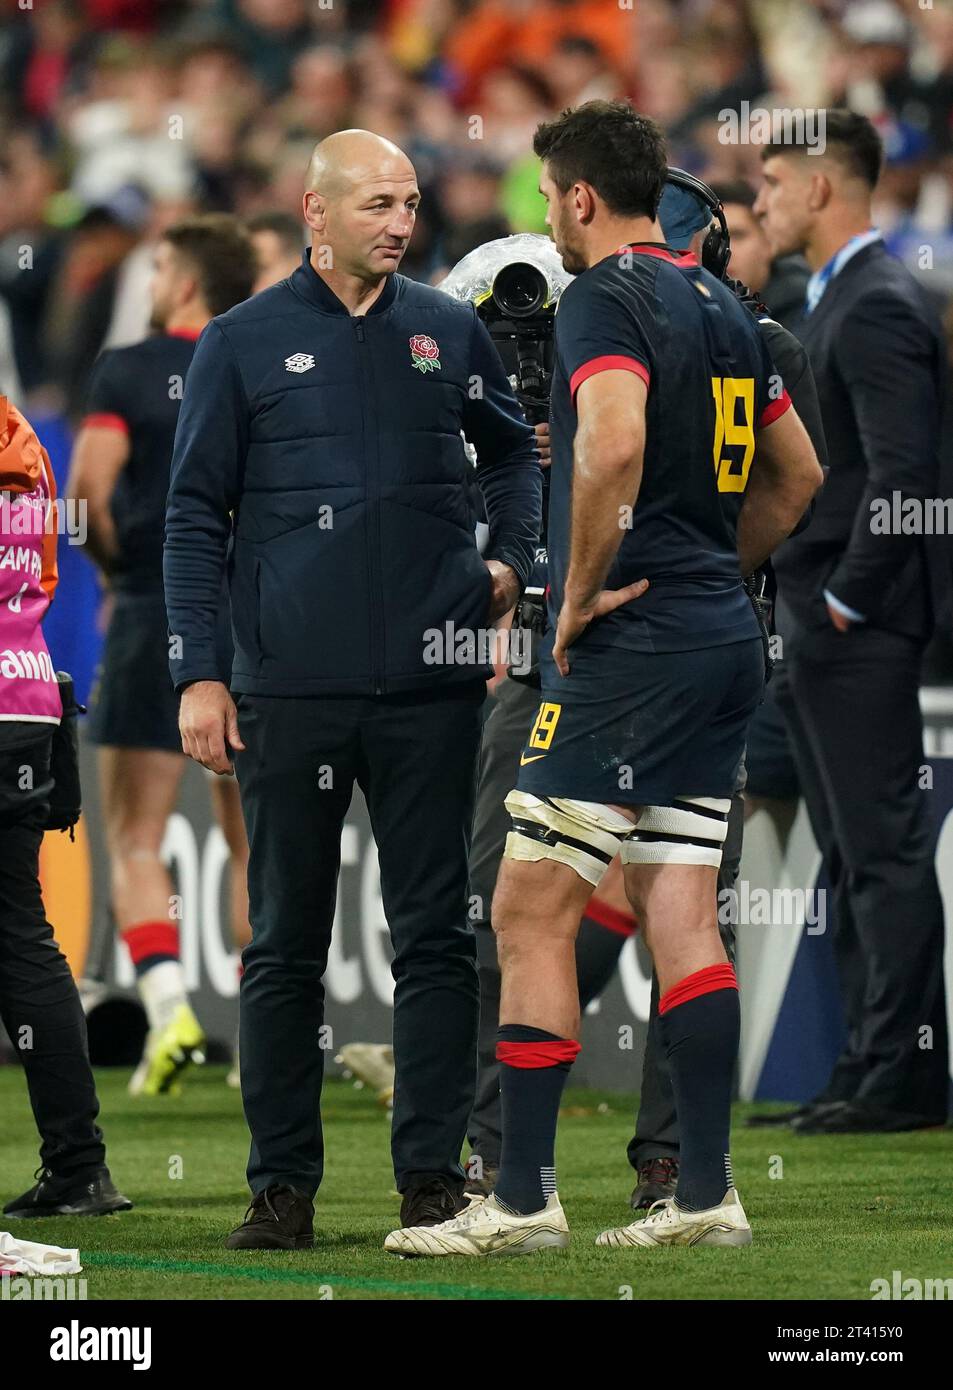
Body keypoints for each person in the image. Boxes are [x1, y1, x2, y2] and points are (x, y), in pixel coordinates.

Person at [385, 99, 822, 1259]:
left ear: (579, 198)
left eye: (545, 198)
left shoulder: (601, 299)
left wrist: (579, 588)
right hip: (721, 634)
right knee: (681, 902)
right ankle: (704, 1191)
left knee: (528, 903)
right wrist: (710, 572)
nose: (546, 219)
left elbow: (611, 444)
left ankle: (520, 1200)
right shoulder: (727, 305)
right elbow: (799, 476)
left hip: (629, 642)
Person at [164, 129, 542, 1251]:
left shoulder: (446, 327)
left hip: (430, 687)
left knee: (434, 933)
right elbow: (191, 515)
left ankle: (430, 1179)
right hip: (288, 689)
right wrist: (198, 671)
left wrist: (513, 562)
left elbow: (515, 453)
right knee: (285, 940)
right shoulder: (238, 343)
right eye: (377, 201)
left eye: (411, 202)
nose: (400, 221)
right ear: (314, 212)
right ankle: (281, 1185)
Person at [752, 109, 951, 1134]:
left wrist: (842, 597)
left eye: (772, 185)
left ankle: (902, 1077)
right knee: (844, 850)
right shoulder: (843, 297)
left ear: (820, 188)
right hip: (818, 615)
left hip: (851, 622)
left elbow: (906, 475)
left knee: (877, 849)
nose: (758, 205)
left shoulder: (872, 302)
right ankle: (867, 1062)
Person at [67, 214, 257, 1096]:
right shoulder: (253, 358)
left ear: (181, 280)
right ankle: (268, 1035)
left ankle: (172, 1010)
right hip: (252, 620)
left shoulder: (129, 368)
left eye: (156, 272)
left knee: (135, 836)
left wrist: (120, 573)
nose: (147, 286)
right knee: (254, 835)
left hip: (155, 610)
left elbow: (87, 495)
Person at [1, 397, 131, 1220]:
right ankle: (78, 1168)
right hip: (25, 696)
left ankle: (80, 1168)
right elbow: (44, 573)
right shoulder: (19, 434)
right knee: (20, 936)